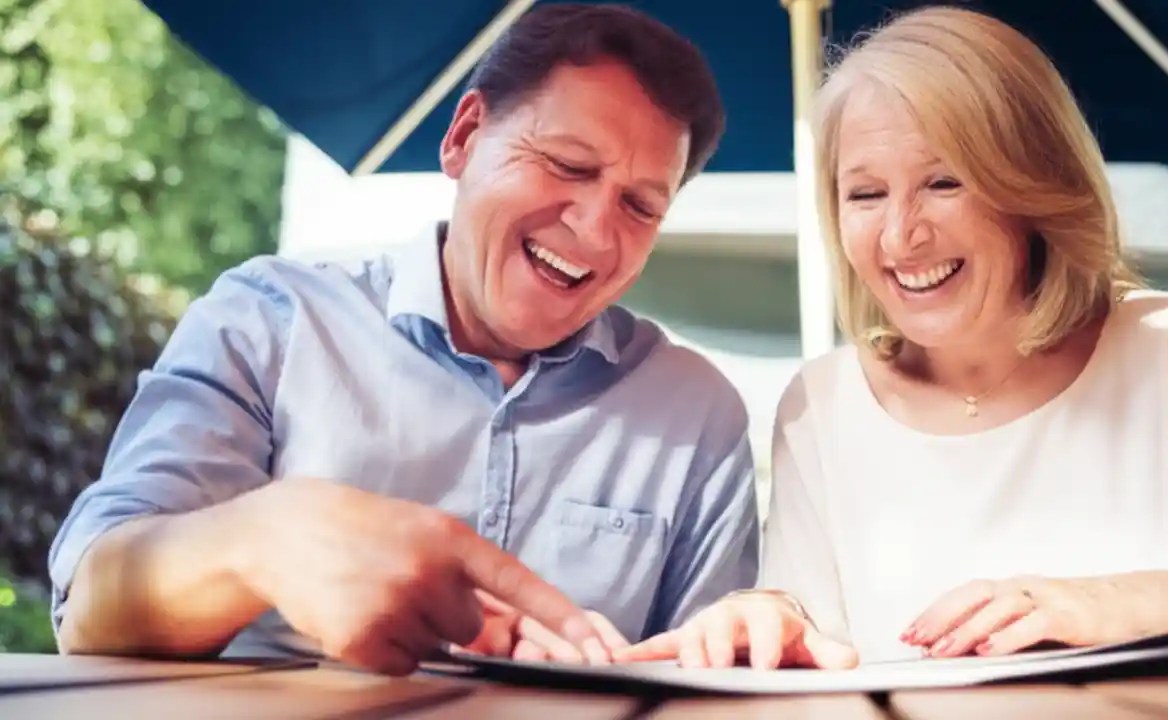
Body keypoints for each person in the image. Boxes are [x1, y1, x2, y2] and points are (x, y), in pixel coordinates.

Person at [48, 4, 759, 676]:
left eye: (640, 206)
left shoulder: (698, 416)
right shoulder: (270, 321)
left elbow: (713, 684)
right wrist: (259, 543)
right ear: (463, 137)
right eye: (568, 164)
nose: (598, 232)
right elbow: (89, 609)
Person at [618, 6, 1168, 670]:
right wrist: (771, 617)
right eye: (867, 193)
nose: (902, 236)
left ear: (1033, 186)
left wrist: (1117, 605)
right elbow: (812, 652)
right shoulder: (819, 406)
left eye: (943, 182)